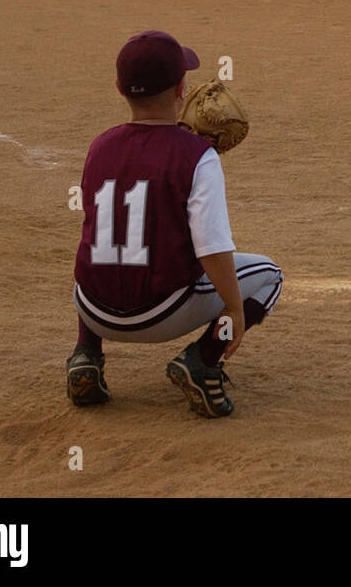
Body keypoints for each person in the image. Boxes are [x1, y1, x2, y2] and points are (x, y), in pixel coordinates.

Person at [68, 30, 283, 418]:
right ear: (183, 88)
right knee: (269, 274)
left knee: (102, 247)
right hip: (161, 313)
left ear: (118, 87)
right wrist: (234, 310)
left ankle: (86, 353)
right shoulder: (198, 155)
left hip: (92, 309)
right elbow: (212, 247)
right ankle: (203, 360)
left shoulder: (99, 145)